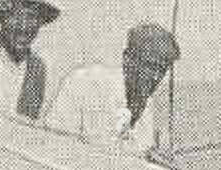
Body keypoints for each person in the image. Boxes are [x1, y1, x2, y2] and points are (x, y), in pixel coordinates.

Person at [47, 22, 180, 157]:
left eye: (162, 70)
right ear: (127, 58)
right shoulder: (83, 82)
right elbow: (54, 145)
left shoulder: (148, 107)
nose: (155, 77)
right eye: (149, 66)